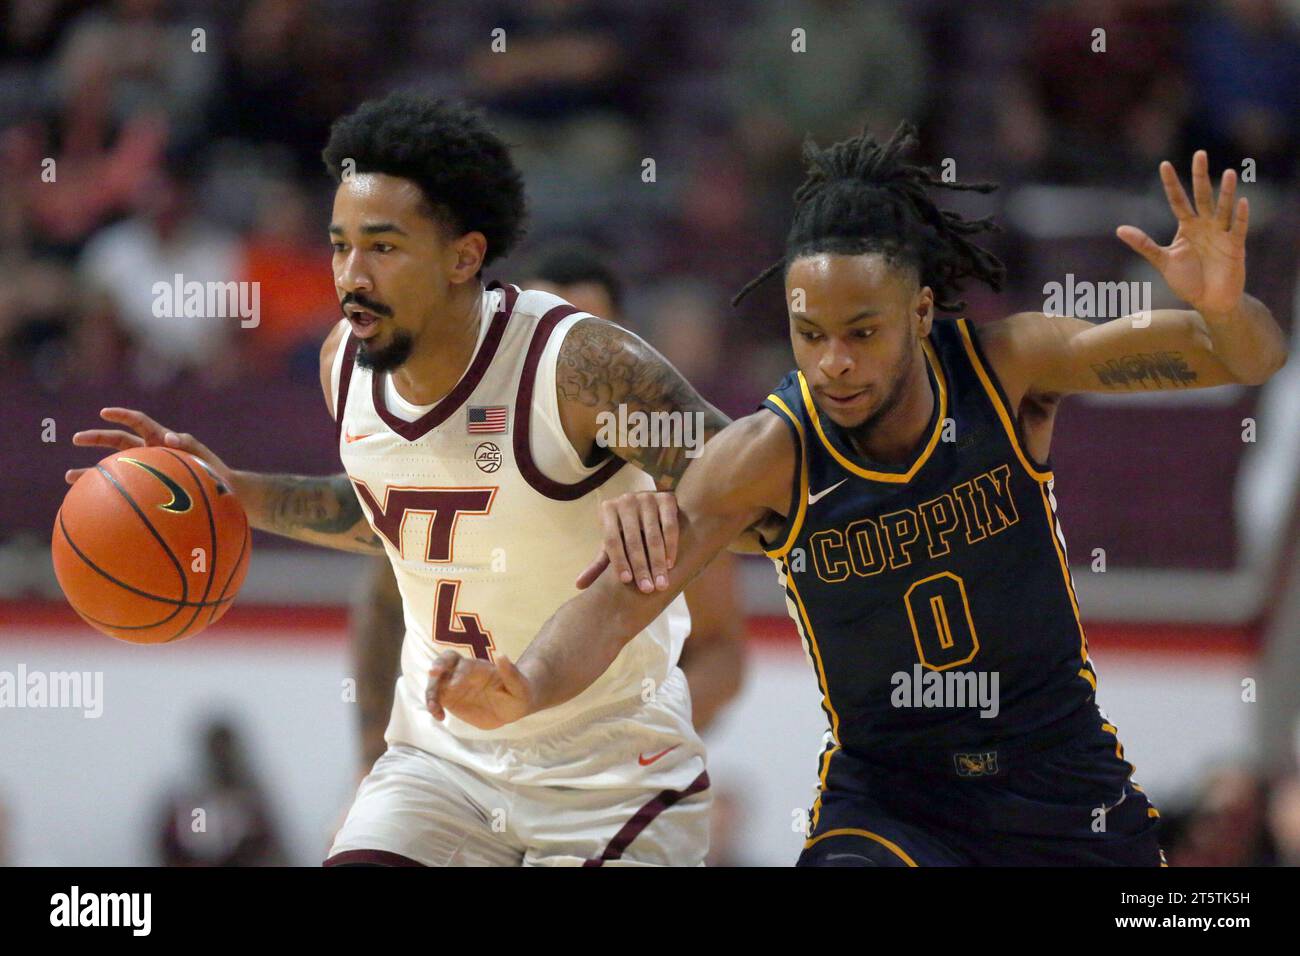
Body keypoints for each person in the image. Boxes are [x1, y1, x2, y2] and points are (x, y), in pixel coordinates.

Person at [426, 123, 1288, 866]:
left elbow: (1251, 358)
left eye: (862, 332)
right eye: (810, 334)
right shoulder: (767, 454)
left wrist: (1222, 307)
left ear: (919, 312)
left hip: (1063, 780)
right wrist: (530, 684)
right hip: (890, 804)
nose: (833, 360)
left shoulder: (1009, 367)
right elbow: (620, 599)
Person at [66, 91, 732, 867]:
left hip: (612, 777)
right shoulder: (341, 367)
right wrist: (232, 491)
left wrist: (669, 502)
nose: (352, 274)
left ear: (463, 255)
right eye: (340, 245)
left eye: (382, 247)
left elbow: (752, 481)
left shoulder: (577, 364)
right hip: (441, 764)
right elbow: (394, 511)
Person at [351, 243, 745, 772]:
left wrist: (625, 744)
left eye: (585, 339)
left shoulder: (669, 483)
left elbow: (720, 654)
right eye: (541, 337)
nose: (565, 363)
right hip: (456, 766)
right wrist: (369, 763)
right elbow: (381, 615)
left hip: (602, 775)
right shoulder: (446, 461)